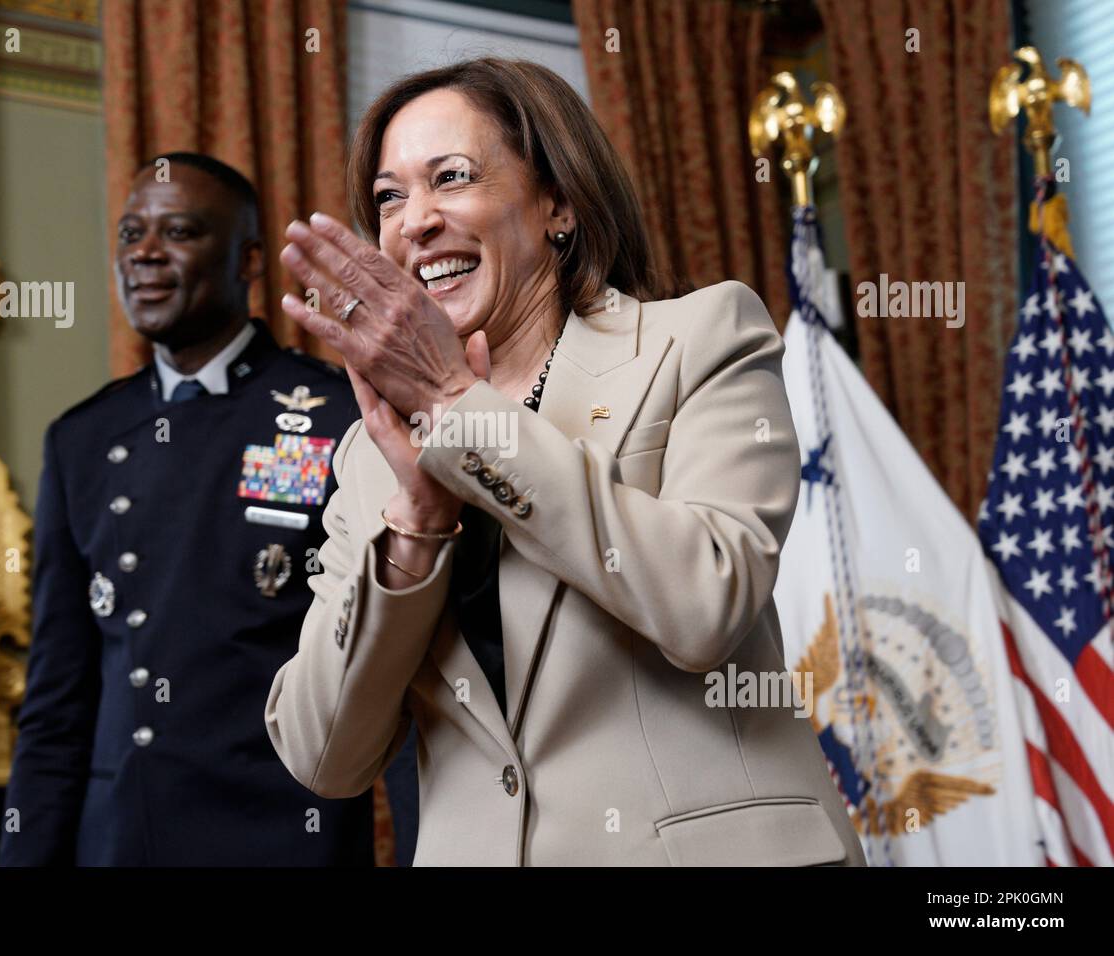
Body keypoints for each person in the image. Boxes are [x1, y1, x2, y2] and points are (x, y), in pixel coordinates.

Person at [265, 59, 867, 866]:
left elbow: (708, 601)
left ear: (559, 204)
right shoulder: (369, 455)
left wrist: (457, 409)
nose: (416, 220)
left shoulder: (702, 339)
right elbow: (324, 754)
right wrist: (415, 527)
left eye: (452, 177)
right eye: (389, 197)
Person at [0, 152, 383, 866]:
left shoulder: (338, 412)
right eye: (129, 233)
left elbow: (393, 671)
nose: (143, 253)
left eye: (178, 231)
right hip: (121, 839)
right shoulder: (83, 438)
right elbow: (57, 697)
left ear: (248, 261)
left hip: (285, 838)